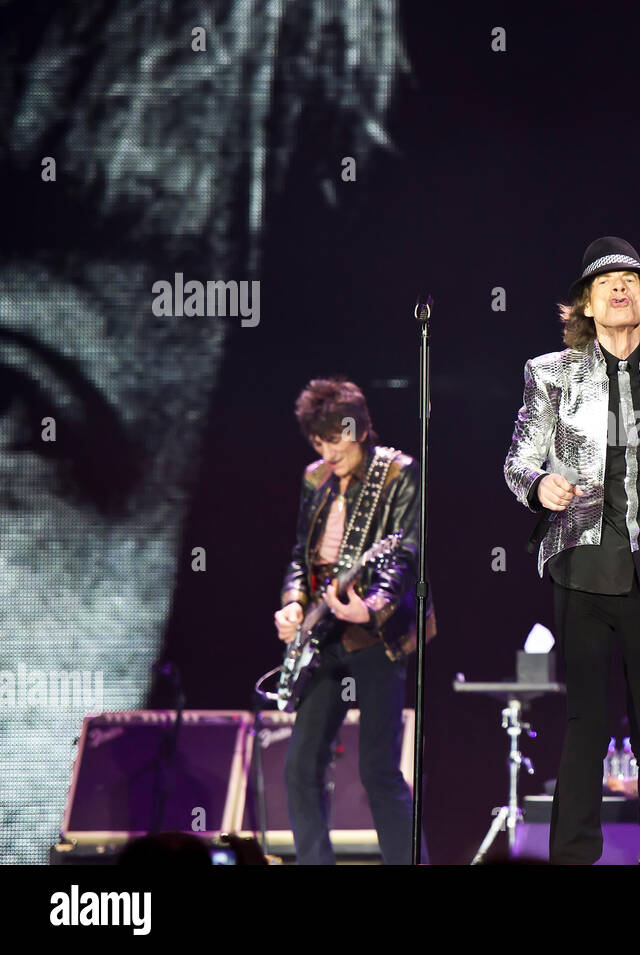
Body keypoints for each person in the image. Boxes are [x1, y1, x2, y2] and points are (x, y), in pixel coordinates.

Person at [0, 1, 401, 864]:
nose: (325, 444)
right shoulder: (307, 494)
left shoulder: (389, 488)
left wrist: (352, 610)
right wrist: (298, 603)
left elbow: (394, 587)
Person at [503, 236, 640, 864]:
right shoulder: (550, 373)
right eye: (604, 283)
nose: (619, 288)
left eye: (630, 279)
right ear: (585, 304)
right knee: (586, 724)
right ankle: (575, 858)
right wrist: (539, 485)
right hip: (582, 567)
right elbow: (518, 461)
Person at [273, 379, 428, 865]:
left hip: (378, 636)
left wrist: (372, 605)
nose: (327, 450)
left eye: (334, 438)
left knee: (378, 771)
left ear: (358, 429)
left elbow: (405, 552)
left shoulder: (399, 473)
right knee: (300, 765)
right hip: (323, 637)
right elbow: (301, 555)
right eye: (318, 441)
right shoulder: (313, 479)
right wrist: (294, 603)